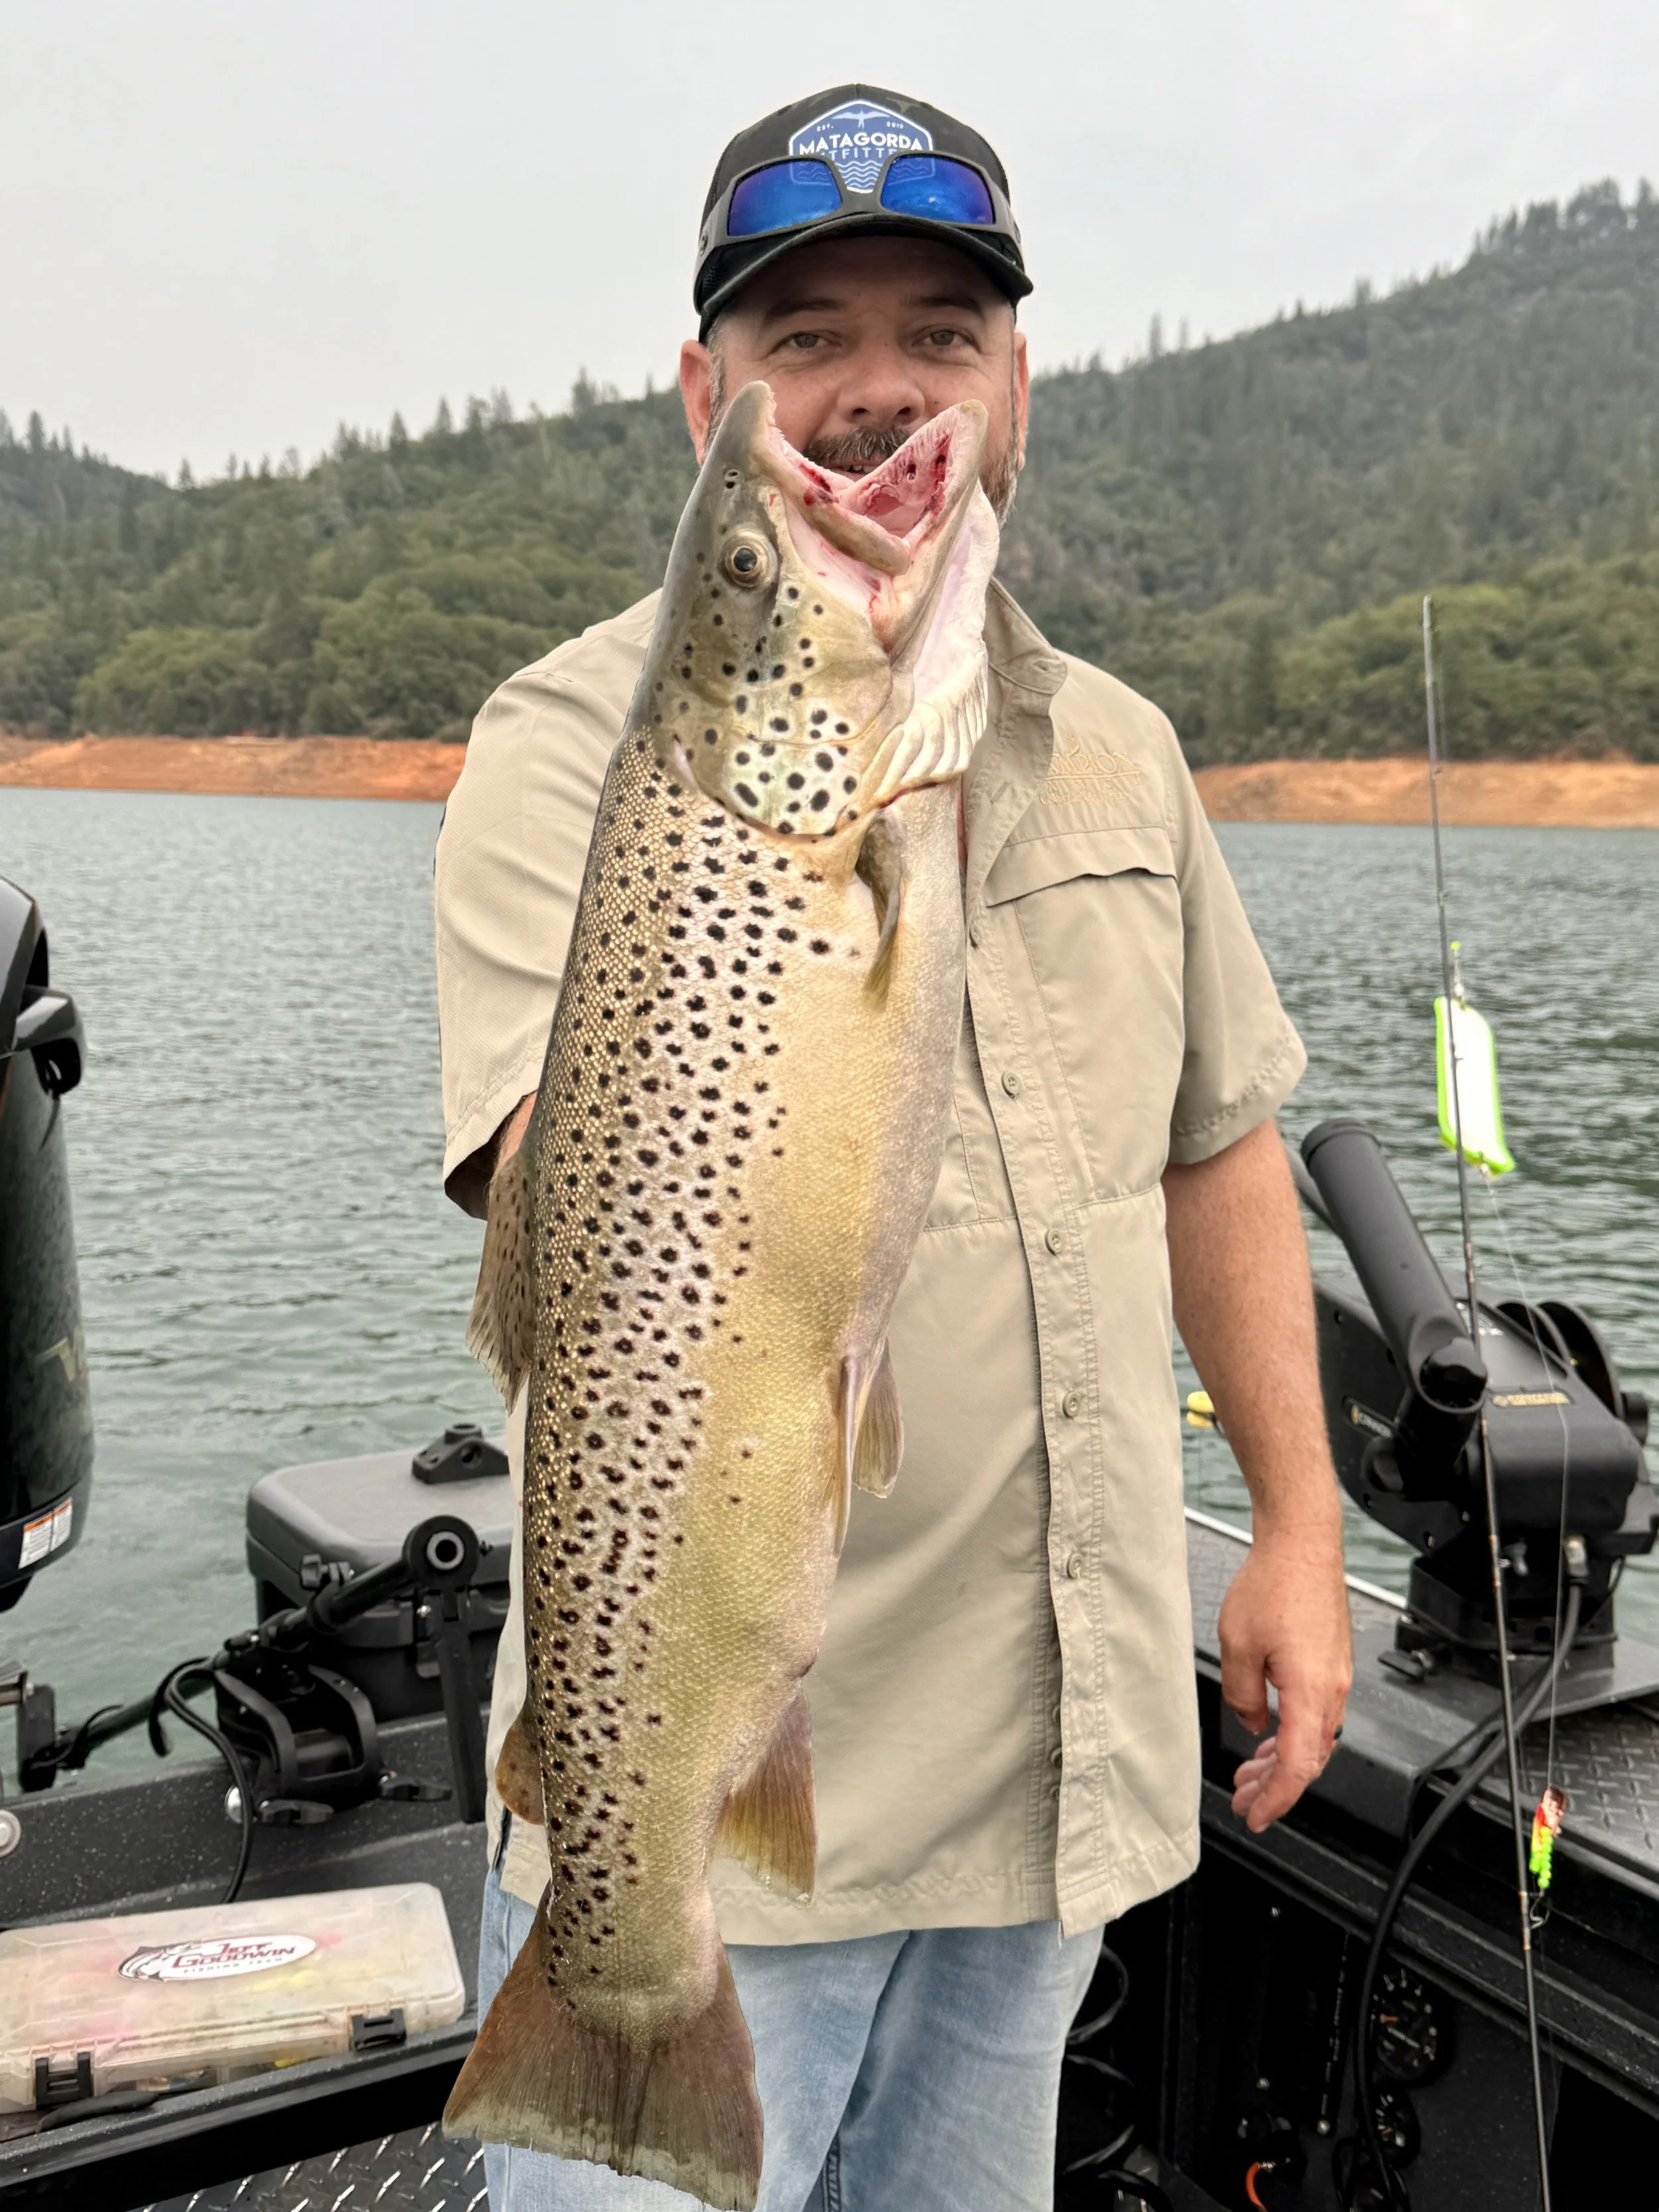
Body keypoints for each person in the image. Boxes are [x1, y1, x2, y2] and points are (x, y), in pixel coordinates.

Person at [435, 83, 1352, 2212]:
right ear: (707, 402)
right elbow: (575, 1221)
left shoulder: (1121, 750)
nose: (875, 392)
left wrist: (1297, 1522)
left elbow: (1218, 1146)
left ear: (1014, 384)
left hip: (1054, 1779)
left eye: (941, 334)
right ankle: (605, 1996)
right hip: (717, 1790)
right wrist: (809, 815)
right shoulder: (572, 751)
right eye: (804, 340)